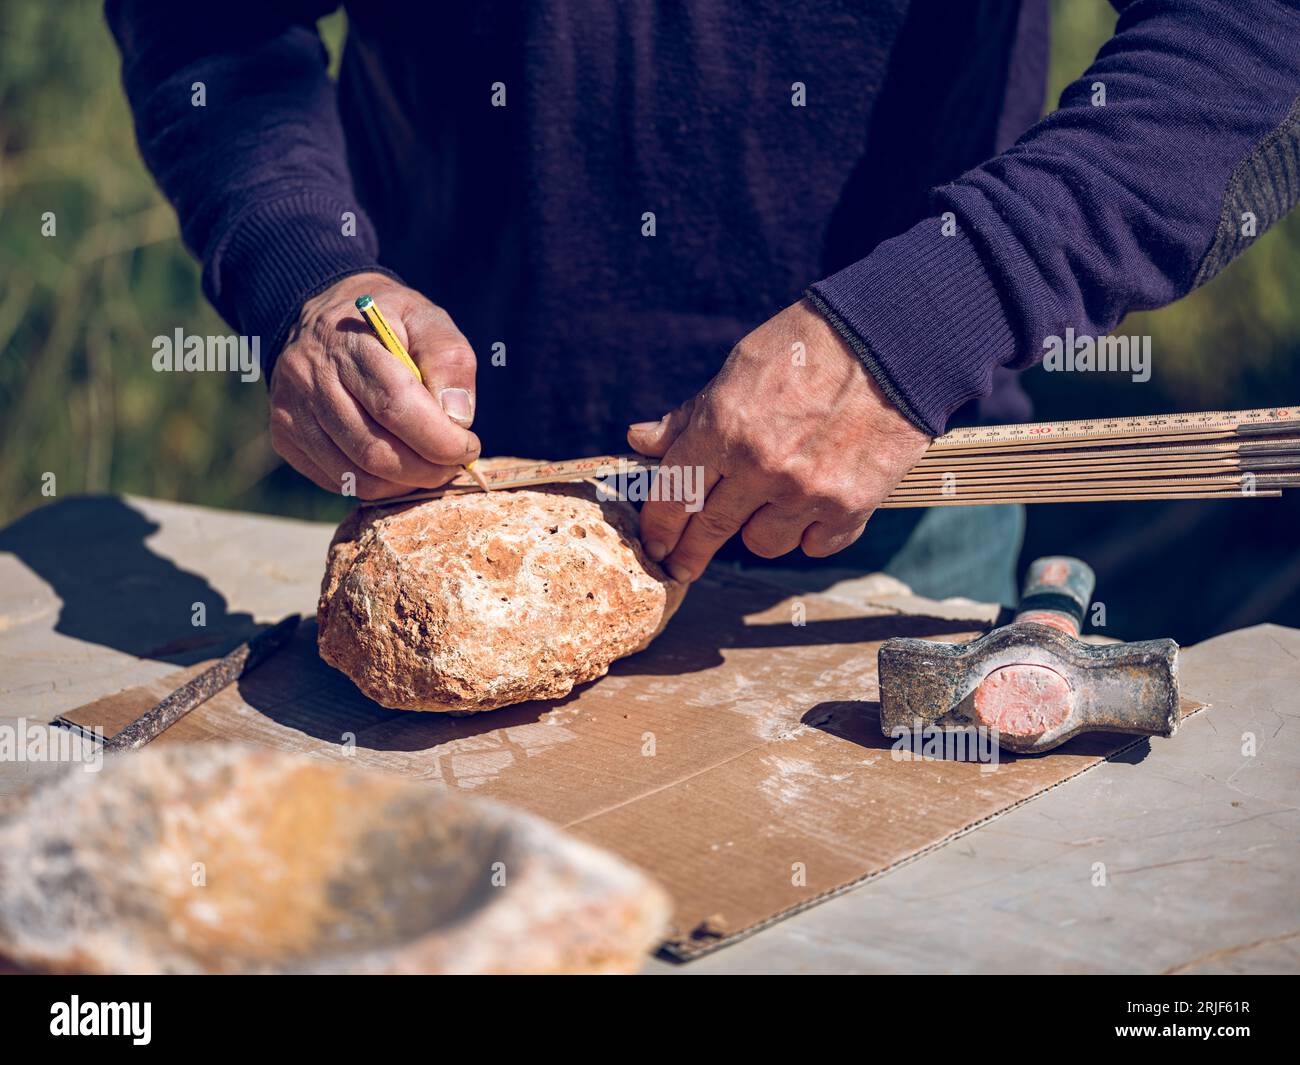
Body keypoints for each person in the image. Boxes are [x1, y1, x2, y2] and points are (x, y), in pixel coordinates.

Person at [107, 1, 1300, 605]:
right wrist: (304, 270)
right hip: (443, 512)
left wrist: (941, 306)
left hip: (885, 509)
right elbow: (209, 23)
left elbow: (1247, 37)